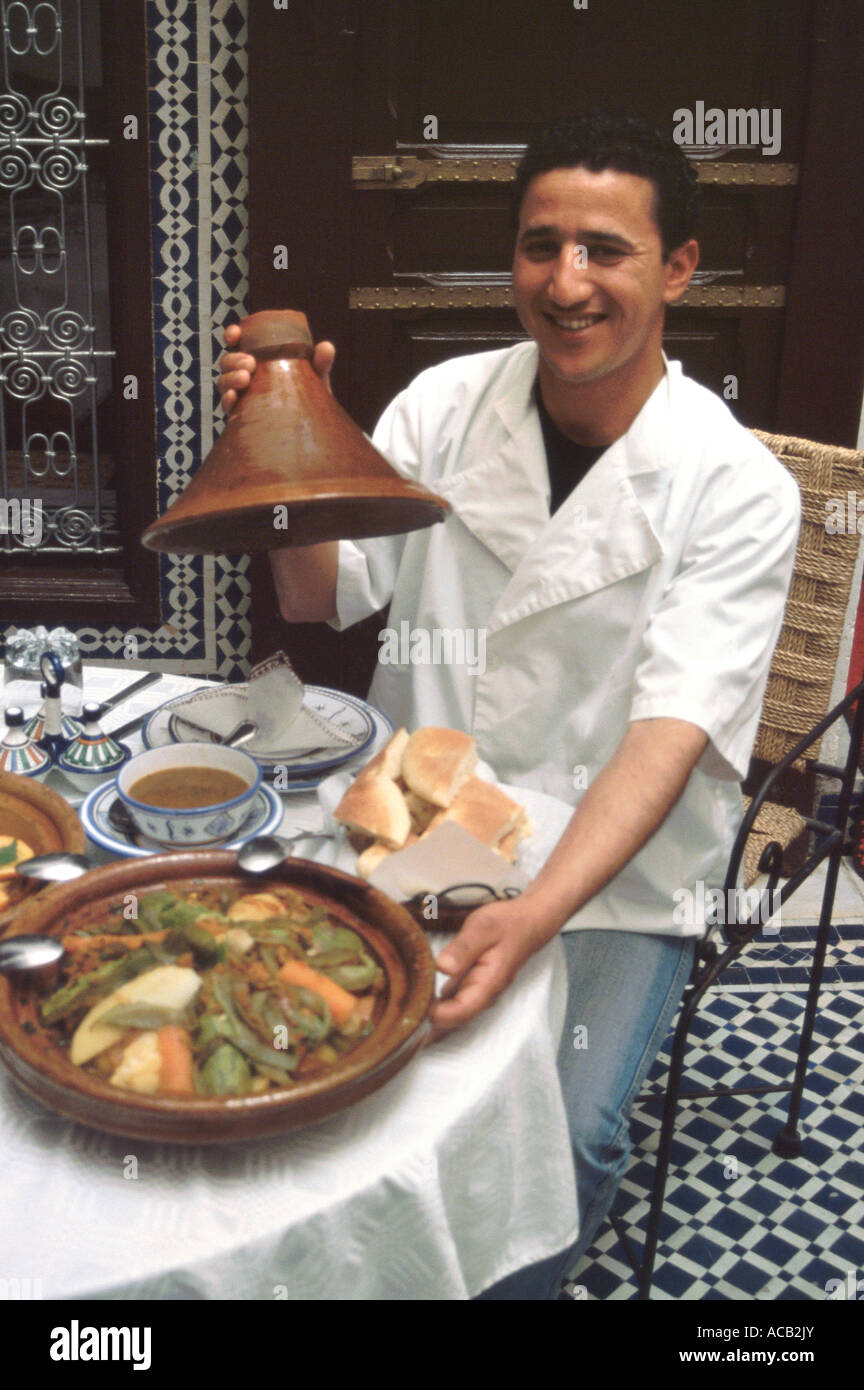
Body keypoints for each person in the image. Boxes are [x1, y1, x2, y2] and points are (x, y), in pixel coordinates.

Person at [218, 112, 800, 1298]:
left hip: (614, 878)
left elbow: (670, 738)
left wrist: (534, 915)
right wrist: (283, 465)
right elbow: (326, 601)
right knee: (325, 1086)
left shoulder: (738, 487)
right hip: (410, 829)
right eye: (541, 246)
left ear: (679, 267)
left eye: (606, 249)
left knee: (565, 1131)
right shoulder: (443, 404)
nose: (567, 282)